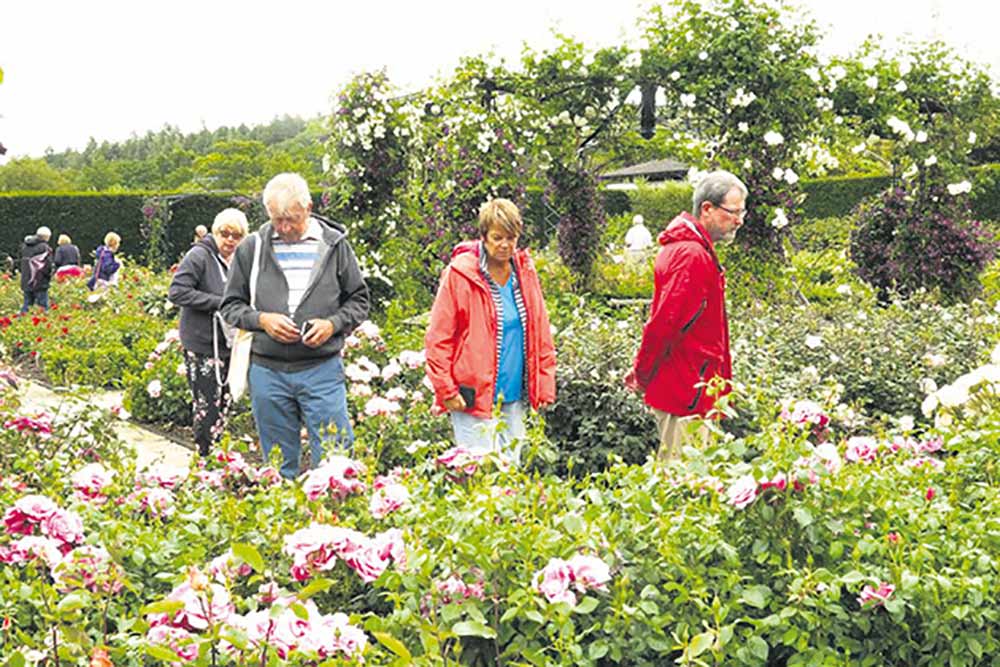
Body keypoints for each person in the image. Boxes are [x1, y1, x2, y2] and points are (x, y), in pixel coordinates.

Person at [221, 173, 369, 479]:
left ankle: (331, 522)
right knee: (276, 467)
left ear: (309, 208)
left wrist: (332, 324)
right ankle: (282, 524)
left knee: (335, 461)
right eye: (277, 220)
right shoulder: (252, 248)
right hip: (268, 371)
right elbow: (230, 306)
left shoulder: (335, 246)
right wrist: (262, 320)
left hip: (322, 370)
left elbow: (359, 301)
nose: (284, 228)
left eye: (292, 219)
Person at [626, 170, 746, 463]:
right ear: (707, 209)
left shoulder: (688, 250)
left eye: (743, 211)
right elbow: (664, 326)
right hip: (687, 391)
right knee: (684, 485)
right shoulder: (692, 256)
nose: (740, 220)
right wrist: (642, 375)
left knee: (689, 480)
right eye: (734, 211)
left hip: (691, 386)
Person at [425, 198, 556, 462]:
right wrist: (446, 390)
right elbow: (438, 338)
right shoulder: (460, 275)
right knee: (479, 471)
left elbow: (540, 332)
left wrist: (544, 384)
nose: (505, 245)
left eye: (511, 237)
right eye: (497, 237)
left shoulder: (525, 274)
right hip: (471, 396)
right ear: (483, 236)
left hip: (513, 392)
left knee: (511, 471)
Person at [168, 209, 248, 456]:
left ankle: (216, 457)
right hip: (203, 344)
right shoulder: (199, 256)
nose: (230, 240)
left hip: (228, 344)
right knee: (206, 406)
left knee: (224, 403)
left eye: (237, 235)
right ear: (215, 232)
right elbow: (177, 291)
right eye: (225, 234)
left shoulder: (237, 260)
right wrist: (218, 302)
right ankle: (205, 458)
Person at [19, 226, 53, 313]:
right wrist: (48, 277)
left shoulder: (25, 247)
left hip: (26, 280)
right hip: (39, 281)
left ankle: (21, 322)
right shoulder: (44, 248)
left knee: (27, 304)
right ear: (46, 237)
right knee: (43, 307)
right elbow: (47, 266)